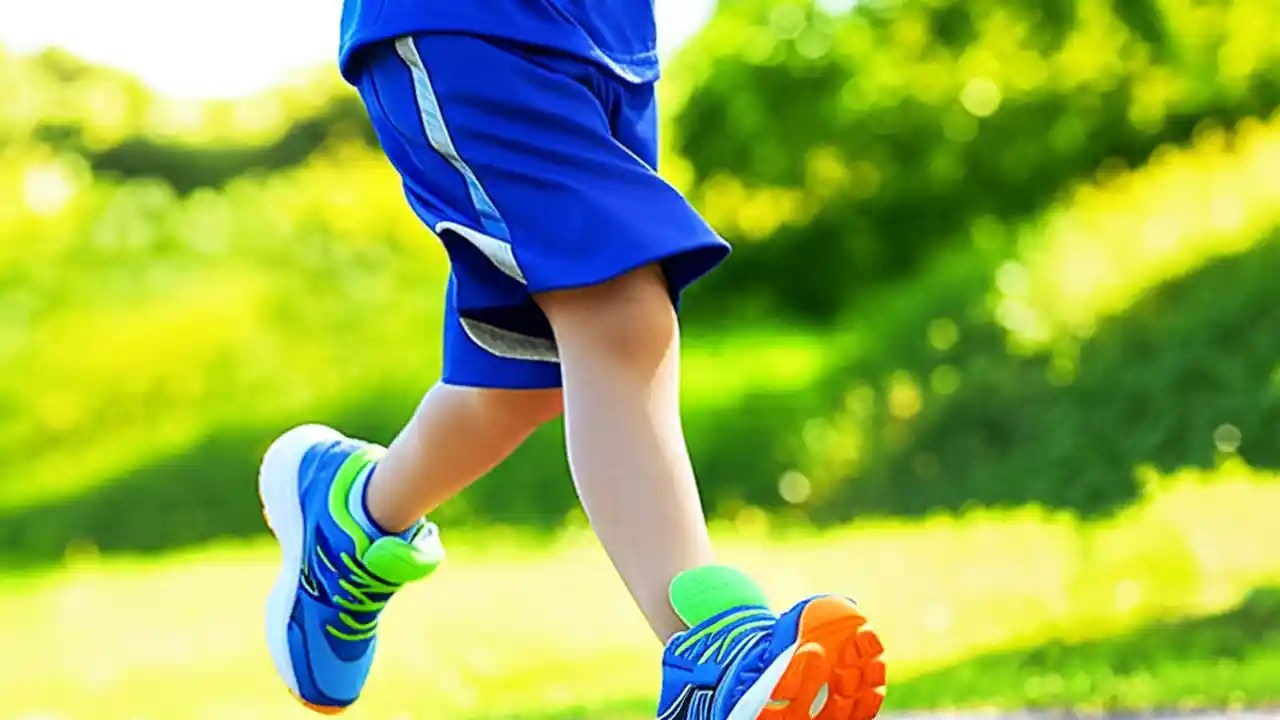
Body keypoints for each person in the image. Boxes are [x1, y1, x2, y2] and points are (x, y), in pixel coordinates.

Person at [257, 1, 886, 717]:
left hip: (607, 44)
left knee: (529, 376)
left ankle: (354, 517)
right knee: (618, 315)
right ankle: (711, 651)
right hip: (471, 24)